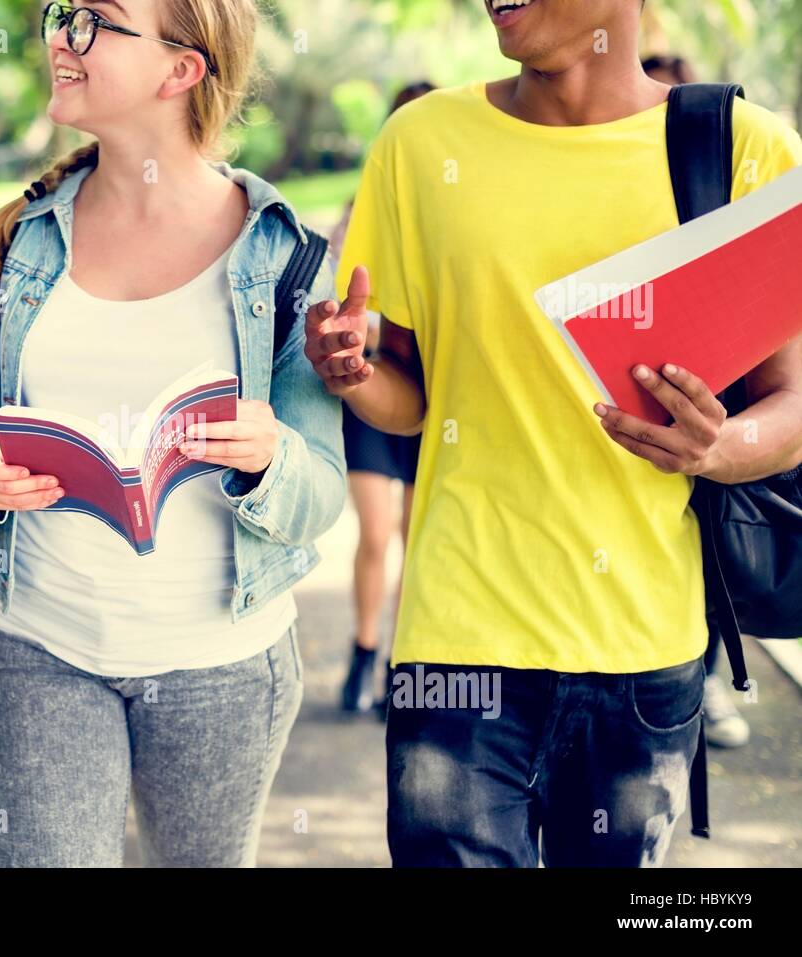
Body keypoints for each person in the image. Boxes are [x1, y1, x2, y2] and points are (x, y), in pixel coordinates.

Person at [306, 0, 802, 866]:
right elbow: (414, 396)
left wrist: (718, 449)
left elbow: (792, 407)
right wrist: (352, 372)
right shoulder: (422, 144)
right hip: (456, 642)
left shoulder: (744, 150)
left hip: (643, 649)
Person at [0, 0, 345, 867]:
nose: (58, 39)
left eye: (92, 23)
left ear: (179, 70)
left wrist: (270, 460)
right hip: (40, 646)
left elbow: (322, 495)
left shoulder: (283, 255)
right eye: (58, 15)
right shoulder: (18, 241)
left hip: (224, 666)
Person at [639, 52, 751, 750]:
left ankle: (712, 672)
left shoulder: (735, 149)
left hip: (710, 451)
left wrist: (727, 442)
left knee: (706, 545)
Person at [328, 81, 434, 717]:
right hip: (371, 386)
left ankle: (403, 661)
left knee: (417, 536)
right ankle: (364, 649)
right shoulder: (361, 207)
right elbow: (343, 299)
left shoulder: (458, 210)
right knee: (375, 530)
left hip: (436, 402)